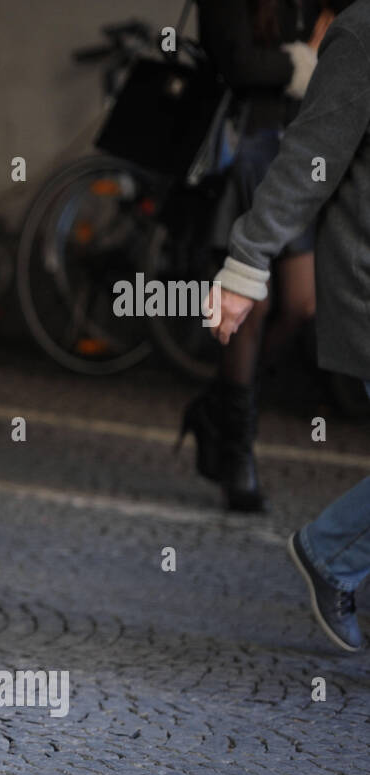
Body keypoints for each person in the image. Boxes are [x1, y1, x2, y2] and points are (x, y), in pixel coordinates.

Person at [207, 0, 368, 650]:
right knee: (277, 312)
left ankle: (331, 553)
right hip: (358, 269)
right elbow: (308, 156)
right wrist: (246, 263)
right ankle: (235, 443)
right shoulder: (363, 32)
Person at [181, 0, 324, 511]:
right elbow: (238, 63)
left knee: (302, 304)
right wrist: (298, 64)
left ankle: (217, 408)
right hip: (245, 151)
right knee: (251, 307)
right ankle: (237, 453)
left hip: (293, 153)